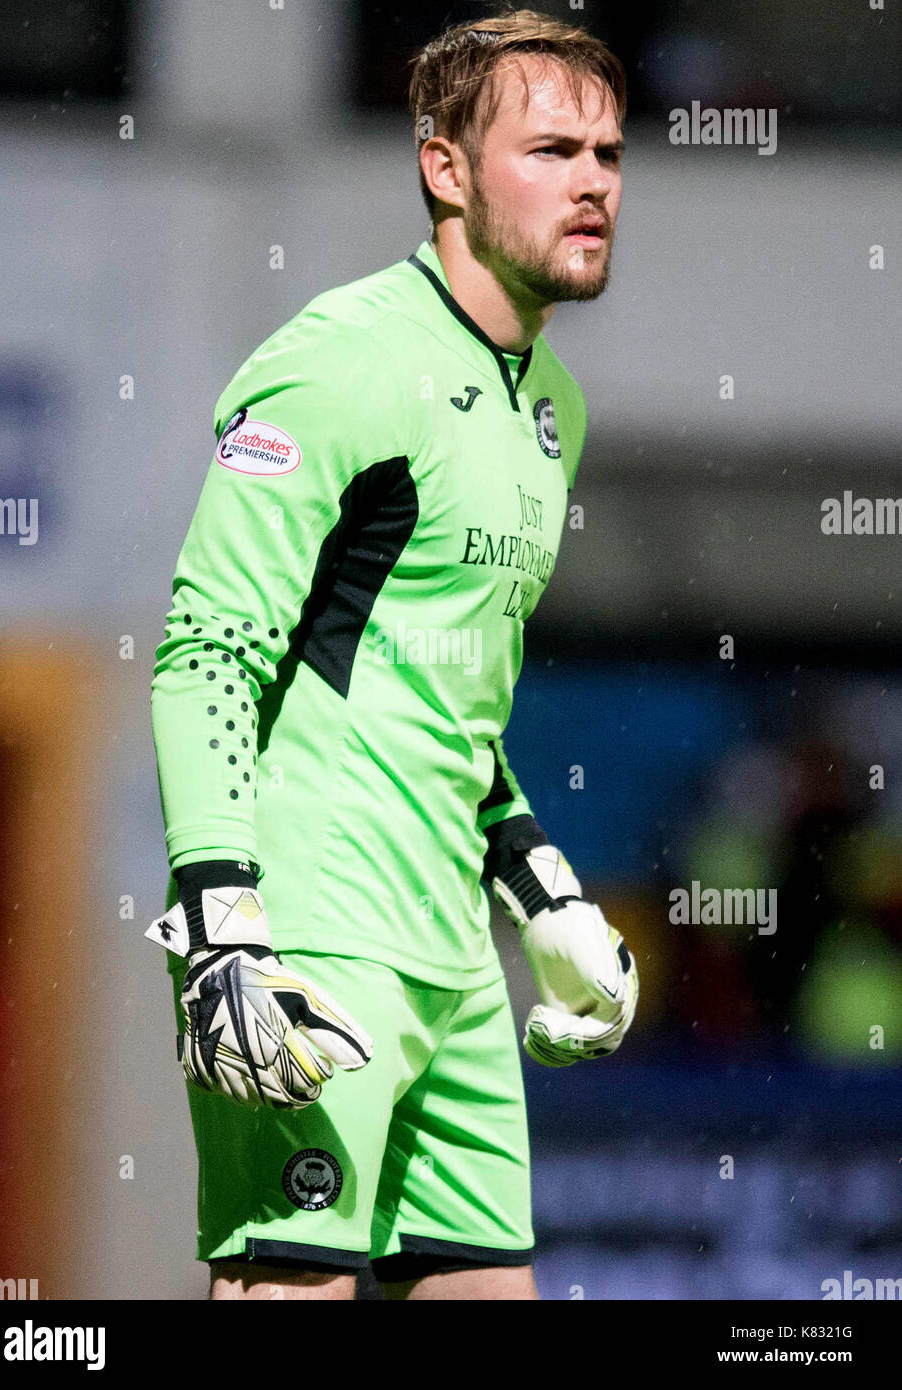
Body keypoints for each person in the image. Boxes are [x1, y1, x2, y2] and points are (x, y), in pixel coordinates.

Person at [148, 8, 638, 1302]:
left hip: (456, 961)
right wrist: (220, 928)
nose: (593, 180)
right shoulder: (340, 360)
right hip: (310, 938)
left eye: (608, 151)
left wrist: (547, 894)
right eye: (550, 149)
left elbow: (444, 700)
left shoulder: (557, 410)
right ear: (446, 168)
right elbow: (204, 647)